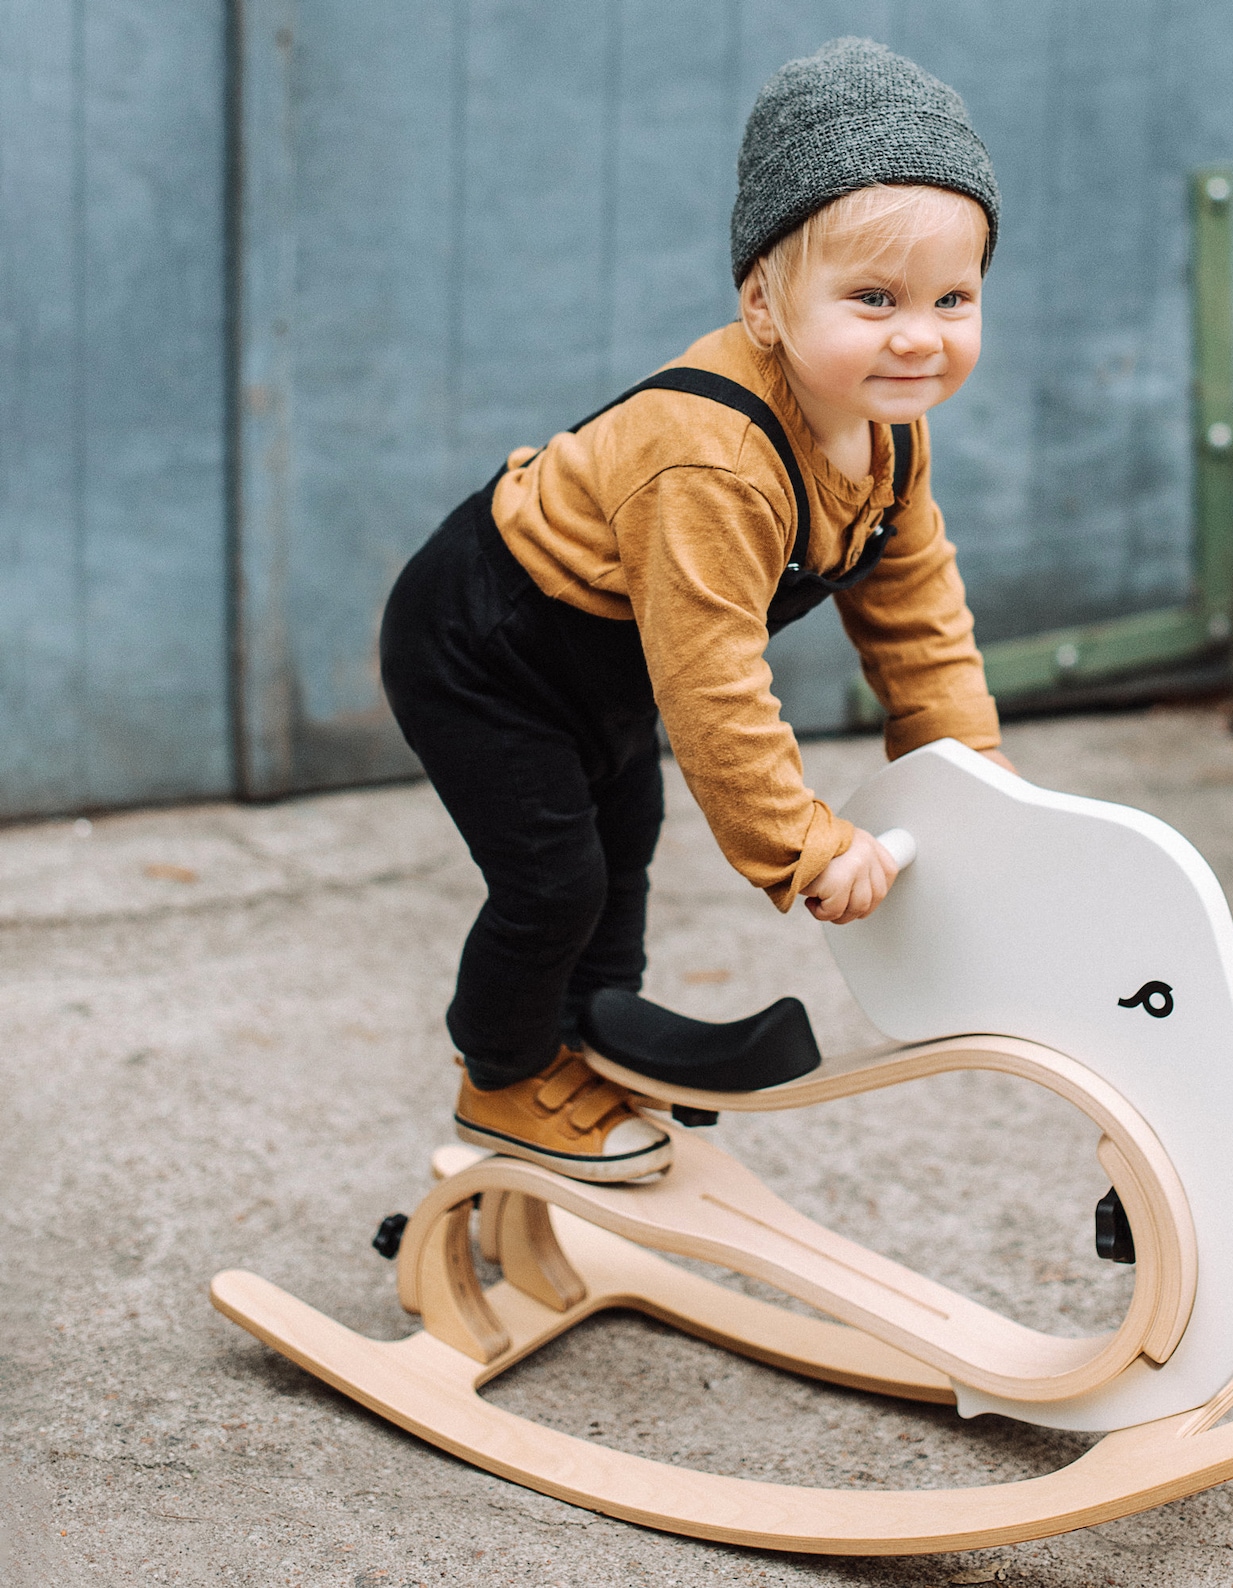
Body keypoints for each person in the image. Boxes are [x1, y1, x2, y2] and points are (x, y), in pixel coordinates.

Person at [380, 37, 1010, 1184]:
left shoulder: (887, 437)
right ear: (763, 305)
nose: (918, 333)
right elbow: (713, 684)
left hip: (601, 660)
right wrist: (801, 845)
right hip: (487, 646)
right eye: (872, 299)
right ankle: (505, 1077)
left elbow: (916, 611)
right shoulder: (712, 462)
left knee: (624, 852)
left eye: (951, 297)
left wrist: (964, 769)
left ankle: (589, 1034)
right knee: (552, 878)